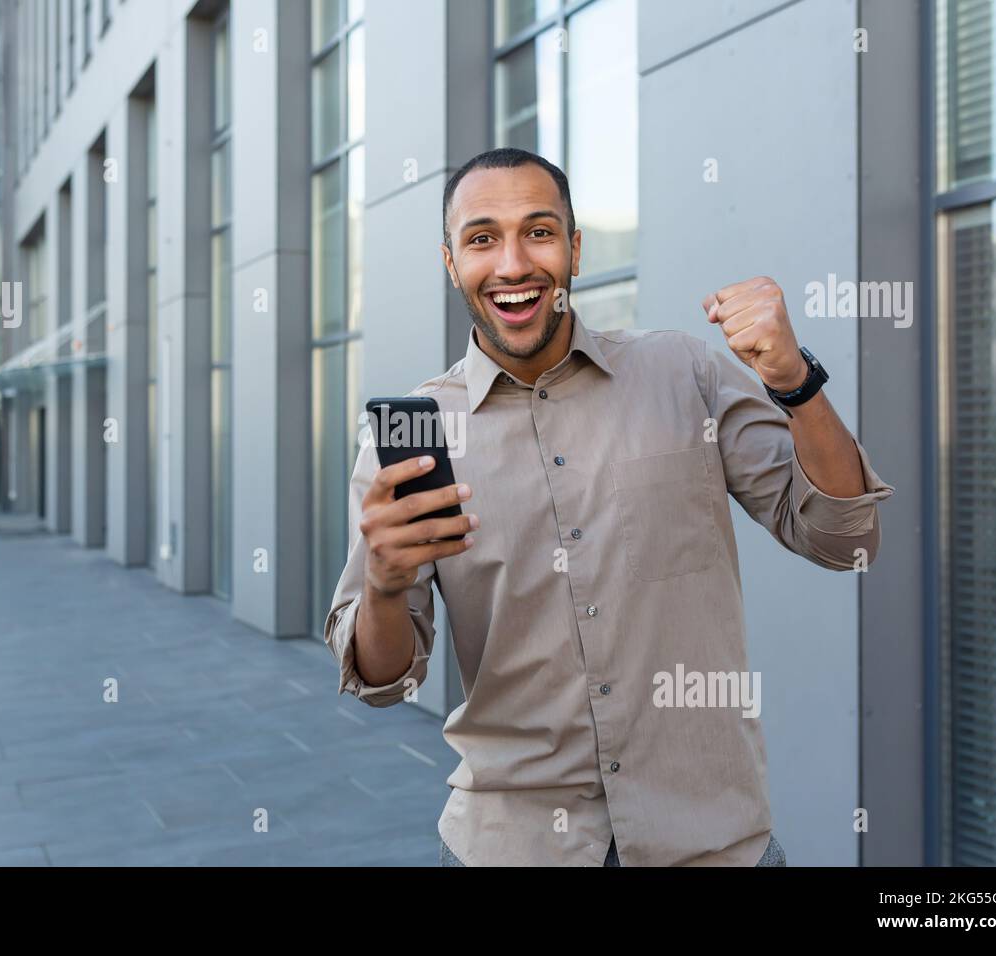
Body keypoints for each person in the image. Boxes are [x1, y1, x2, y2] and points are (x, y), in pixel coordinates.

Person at [323, 147, 894, 866]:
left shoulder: (685, 373)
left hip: (712, 842)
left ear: (574, 248)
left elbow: (845, 541)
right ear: (450, 262)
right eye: (481, 239)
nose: (511, 265)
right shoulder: (411, 439)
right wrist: (381, 582)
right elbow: (385, 681)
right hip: (513, 847)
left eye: (538, 231)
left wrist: (796, 382)